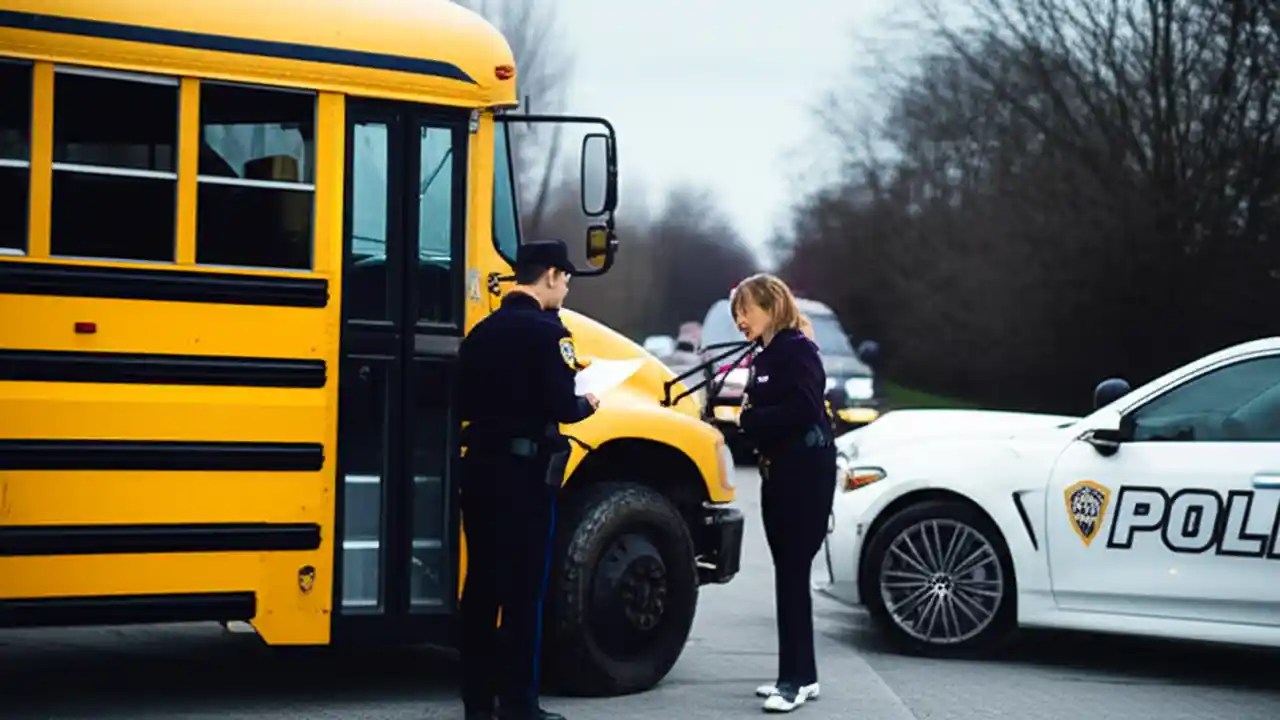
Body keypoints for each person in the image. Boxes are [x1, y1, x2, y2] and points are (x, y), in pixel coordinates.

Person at [455, 239, 600, 720]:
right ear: (553, 276)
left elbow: (463, 403)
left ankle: (477, 703)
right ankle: (519, 704)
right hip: (524, 476)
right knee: (522, 594)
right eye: (566, 281)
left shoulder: (481, 332)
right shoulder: (547, 332)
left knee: (480, 588)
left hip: (478, 470)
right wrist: (588, 403)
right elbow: (562, 406)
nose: (566, 291)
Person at [731, 273, 836, 714]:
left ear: (772, 305)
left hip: (804, 475)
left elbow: (805, 407)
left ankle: (791, 682)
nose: (740, 320)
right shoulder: (767, 353)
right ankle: (802, 674)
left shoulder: (796, 349)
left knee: (792, 573)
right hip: (781, 472)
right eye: (737, 313)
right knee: (787, 575)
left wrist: (752, 421)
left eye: (745, 311)